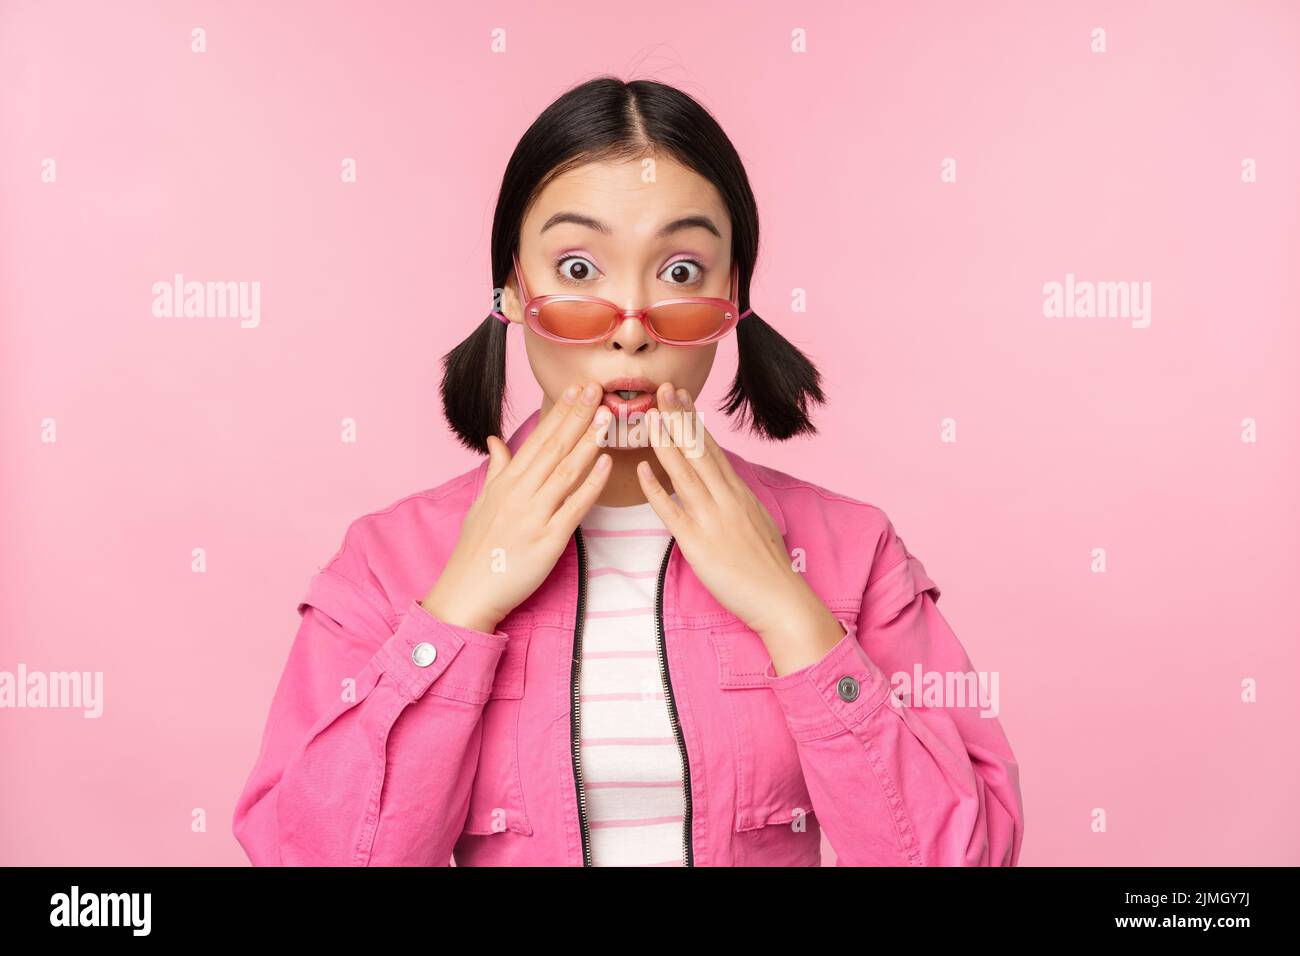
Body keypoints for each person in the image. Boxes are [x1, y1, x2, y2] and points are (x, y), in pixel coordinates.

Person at [232, 75, 1024, 867]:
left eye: (680, 271)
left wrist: (792, 613)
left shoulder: (854, 549)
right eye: (579, 270)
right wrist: (459, 608)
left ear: (735, 295)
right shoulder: (385, 562)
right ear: (510, 287)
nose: (633, 330)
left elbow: (969, 857)